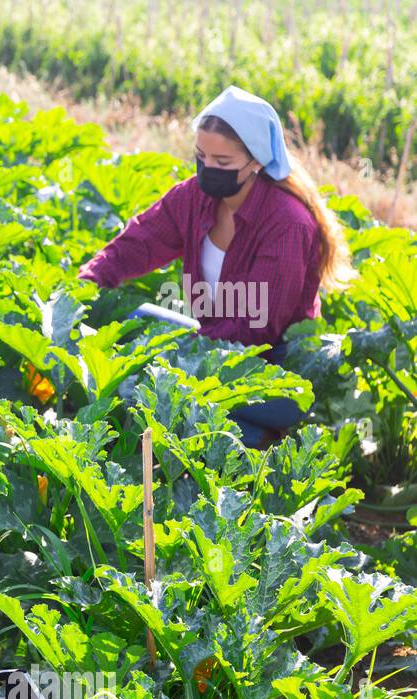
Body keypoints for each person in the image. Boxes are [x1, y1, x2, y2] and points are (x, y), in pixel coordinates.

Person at [77, 85, 356, 447]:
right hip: (212, 349)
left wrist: (177, 357)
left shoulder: (287, 223)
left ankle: (254, 438)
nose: (208, 168)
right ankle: (252, 436)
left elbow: (258, 326)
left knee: (166, 392)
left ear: (255, 160)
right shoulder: (195, 196)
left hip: (275, 374)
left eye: (222, 163)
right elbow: (140, 240)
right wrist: (88, 282)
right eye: (201, 156)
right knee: (131, 320)